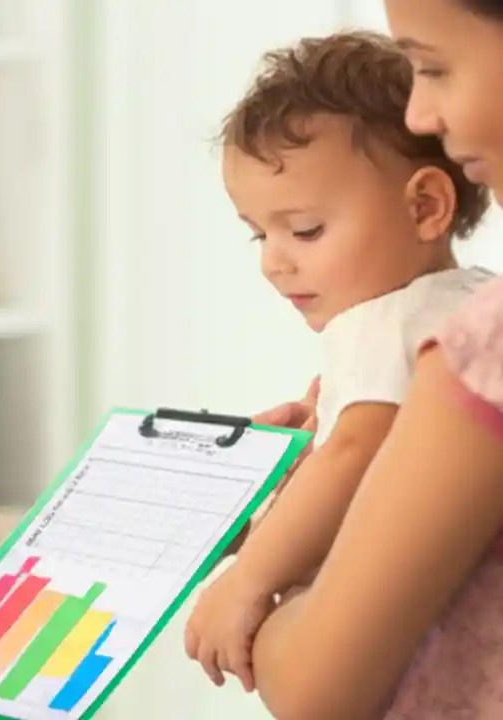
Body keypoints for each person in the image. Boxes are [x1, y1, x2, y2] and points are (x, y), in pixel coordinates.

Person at [183, 30, 494, 692]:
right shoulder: (478, 299)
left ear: (426, 206)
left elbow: (356, 451)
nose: (275, 260)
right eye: (259, 234)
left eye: (305, 230)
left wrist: (249, 577)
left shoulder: (382, 322)